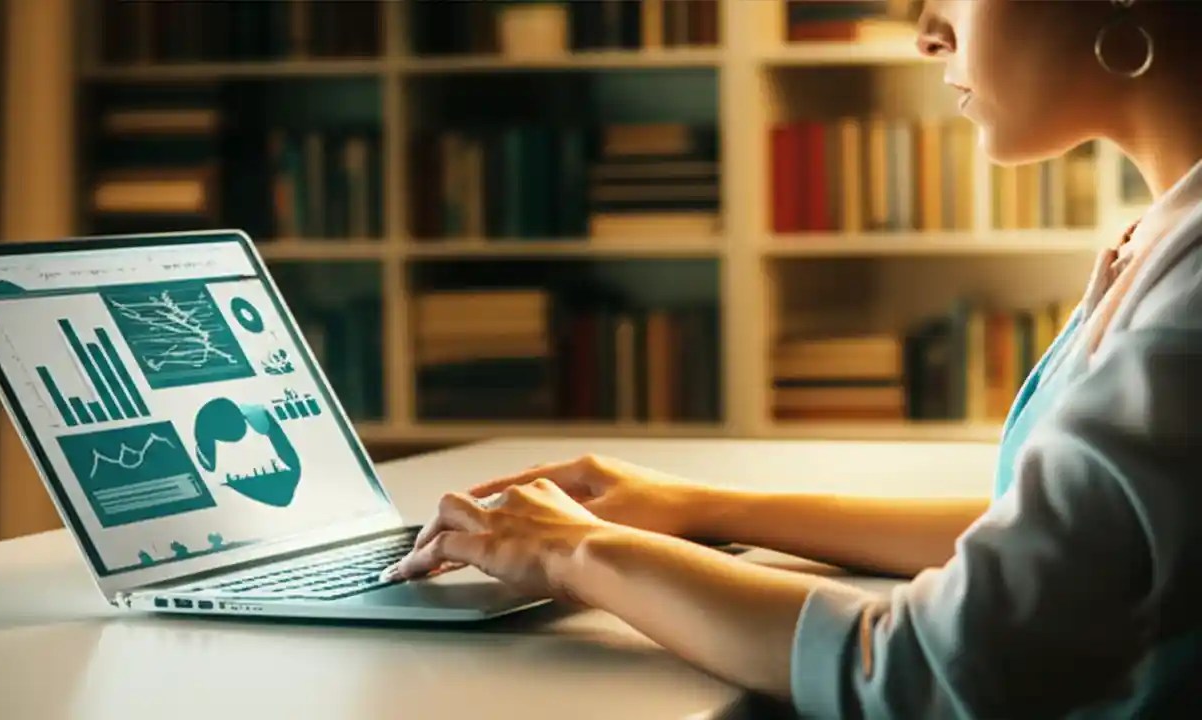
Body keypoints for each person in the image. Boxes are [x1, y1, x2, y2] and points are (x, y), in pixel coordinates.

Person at [386, 0, 1202, 715]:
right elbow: (1052, 544)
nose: (926, 33)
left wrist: (572, 552)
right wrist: (707, 509)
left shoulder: (1188, 306)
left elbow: (932, 672)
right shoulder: (1163, 237)